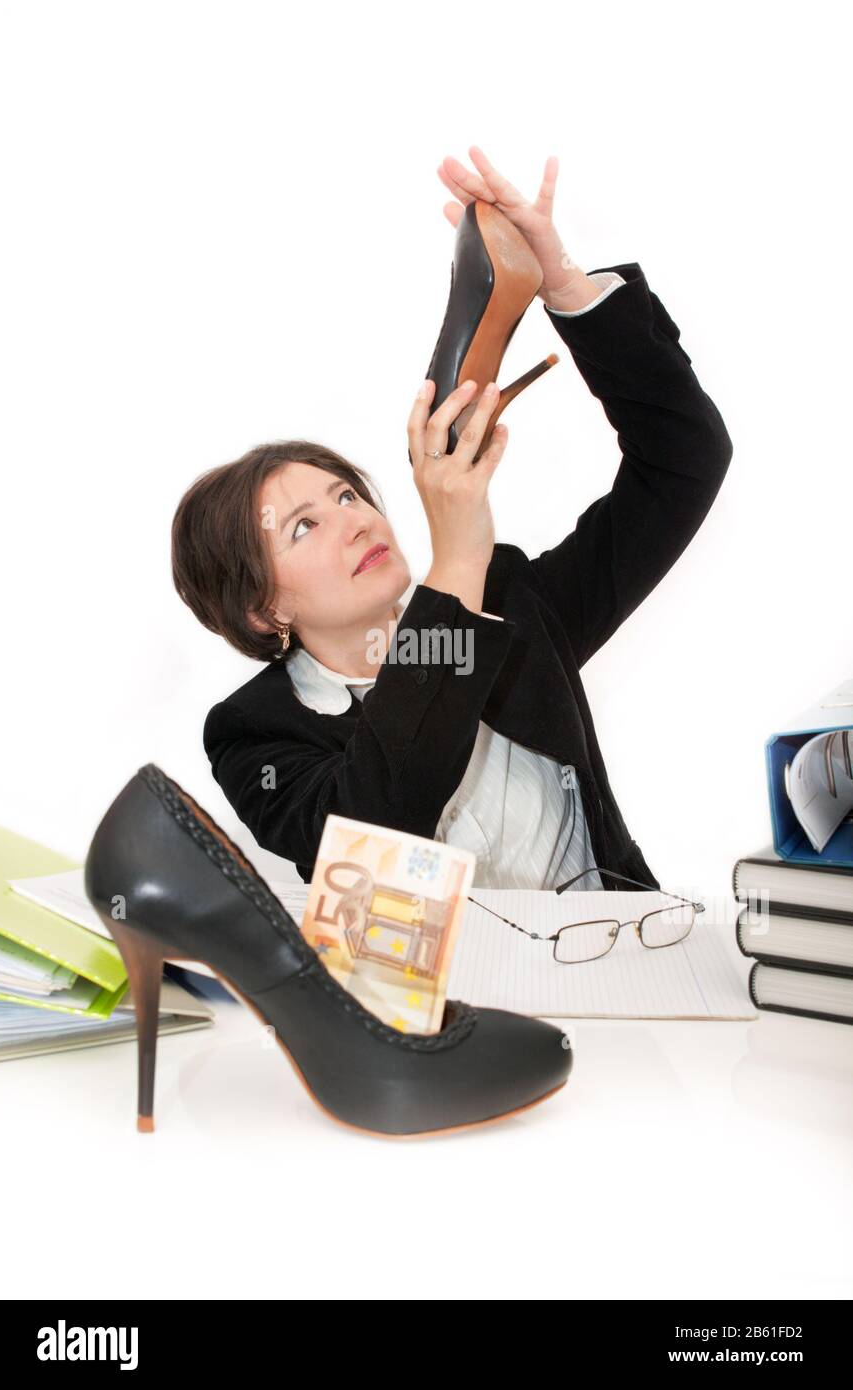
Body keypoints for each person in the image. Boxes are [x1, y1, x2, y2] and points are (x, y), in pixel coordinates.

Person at [171, 148, 733, 890]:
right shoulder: (254, 733)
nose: (354, 520)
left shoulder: (513, 609)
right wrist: (457, 563)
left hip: (618, 957)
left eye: (347, 496)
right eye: (302, 526)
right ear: (261, 605)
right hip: (446, 1004)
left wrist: (563, 283)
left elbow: (684, 460)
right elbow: (374, 828)